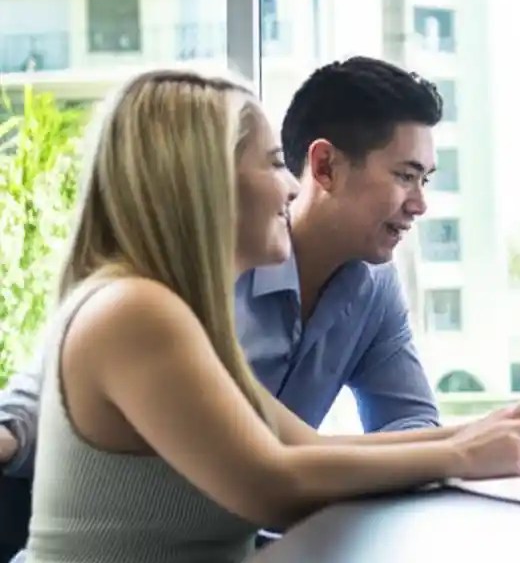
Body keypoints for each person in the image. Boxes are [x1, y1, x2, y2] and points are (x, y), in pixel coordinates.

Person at [24, 70, 520, 562]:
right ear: (204, 178)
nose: (291, 185)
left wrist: (477, 431)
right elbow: (271, 486)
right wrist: (461, 456)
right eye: (277, 162)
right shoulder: (135, 309)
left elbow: (307, 448)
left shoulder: (181, 314)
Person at [0, 56, 451, 479]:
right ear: (324, 166)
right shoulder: (183, 277)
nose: (420, 204)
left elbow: (405, 423)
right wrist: (455, 451)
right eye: (405, 176)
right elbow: (50, 393)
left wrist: (459, 449)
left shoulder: (376, 288)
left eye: (425, 180)